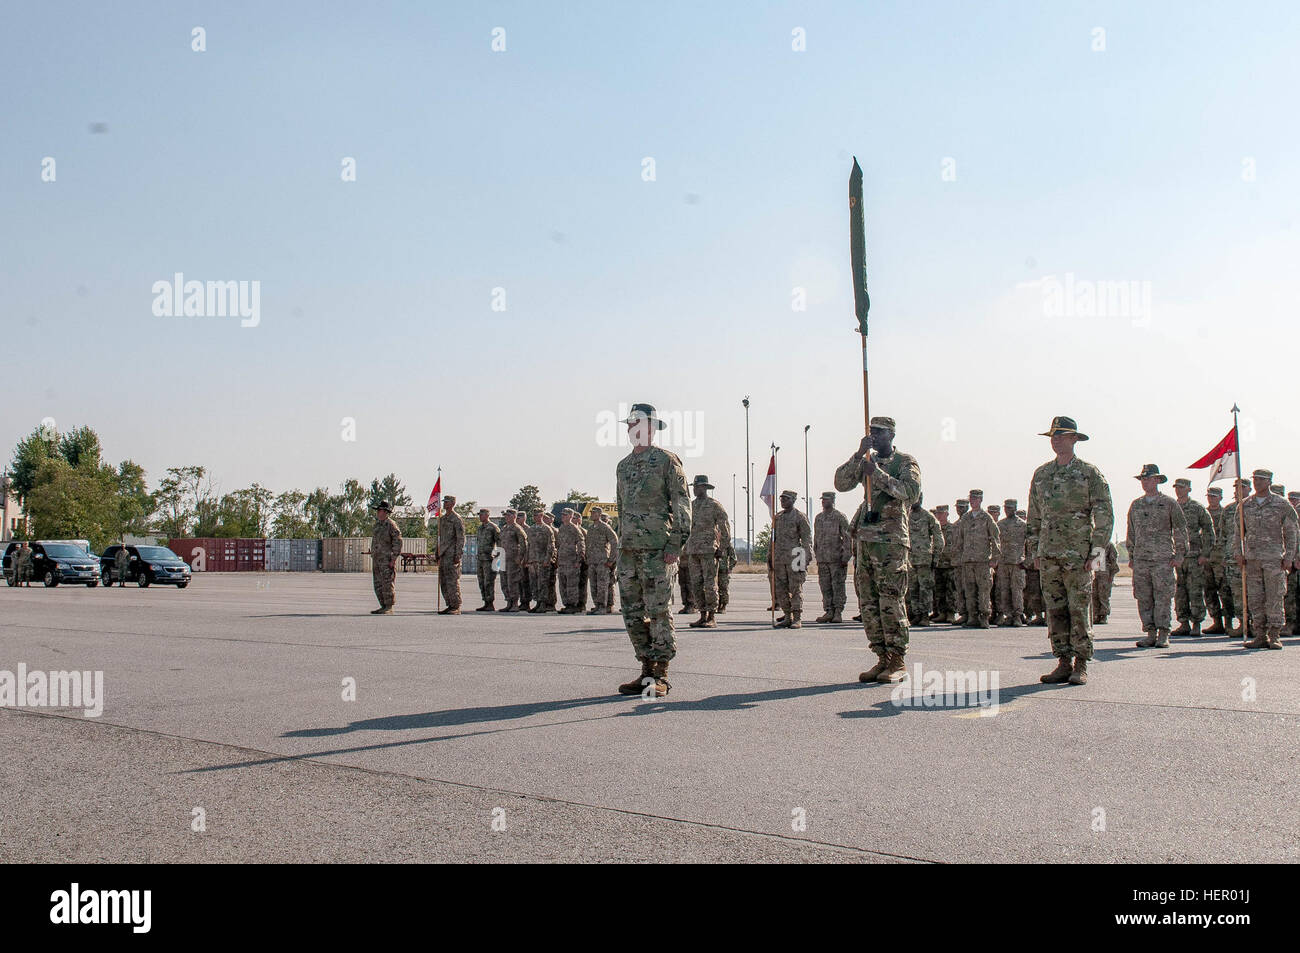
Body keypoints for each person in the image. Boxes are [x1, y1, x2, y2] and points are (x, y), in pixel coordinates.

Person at [1026, 416, 1114, 686]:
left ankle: (1081, 663)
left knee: (1079, 609)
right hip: (1050, 555)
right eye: (1053, 436)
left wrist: (1096, 554)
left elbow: (1105, 516)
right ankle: (1063, 661)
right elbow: (1034, 517)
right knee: (1055, 610)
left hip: (1080, 557)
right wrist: (1035, 552)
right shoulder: (1042, 474)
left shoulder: (1089, 473)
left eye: (1062, 435)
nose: (1056, 440)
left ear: (1075, 439)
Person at [834, 415, 921, 684]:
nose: (875, 436)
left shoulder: (904, 462)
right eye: (871, 432)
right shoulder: (866, 461)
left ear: (892, 435)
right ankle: (881, 657)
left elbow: (911, 492)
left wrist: (879, 476)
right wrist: (859, 454)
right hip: (866, 541)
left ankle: (897, 660)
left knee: (891, 600)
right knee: (869, 603)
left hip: (891, 543)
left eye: (880, 432)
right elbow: (841, 483)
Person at [614, 403, 690, 697]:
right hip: (629, 551)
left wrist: (676, 543)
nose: (635, 430)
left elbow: (682, 504)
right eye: (631, 425)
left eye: (640, 425)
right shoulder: (623, 466)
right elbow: (621, 508)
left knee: (658, 611)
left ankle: (661, 674)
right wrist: (621, 546)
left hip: (659, 550)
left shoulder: (666, 461)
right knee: (632, 613)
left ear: (651, 429)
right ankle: (645, 670)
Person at [1230, 468, 1299, 649]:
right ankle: (1259, 635)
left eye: (1261, 479)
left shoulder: (1281, 504)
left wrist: (1289, 557)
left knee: (1275, 597)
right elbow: (1237, 532)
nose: (1257, 482)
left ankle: (1274, 635)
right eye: (1255, 479)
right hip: (1252, 559)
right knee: (1255, 598)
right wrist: (1238, 552)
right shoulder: (1245, 505)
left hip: (1274, 559)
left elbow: (1292, 532)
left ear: (1269, 482)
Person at [1126, 465, 1188, 648]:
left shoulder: (1169, 503)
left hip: (1162, 559)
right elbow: (1131, 533)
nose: (1145, 482)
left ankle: (1163, 633)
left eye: (1149, 479)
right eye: (1143, 479)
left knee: (1163, 596)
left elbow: (1180, 529)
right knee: (1144, 597)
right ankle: (1150, 632)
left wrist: (1180, 554)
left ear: (1158, 480)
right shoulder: (1136, 505)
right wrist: (1131, 555)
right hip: (1141, 559)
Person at [684, 476, 730, 629]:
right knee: (696, 584)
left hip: (709, 550)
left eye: (697, 486)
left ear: (704, 487)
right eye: (694, 486)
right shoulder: (691, 506)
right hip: (693, 550)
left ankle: (711, 616)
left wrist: (722, 548)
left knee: (710, 584)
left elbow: (725, 528)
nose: (695, 489)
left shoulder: (714, 505)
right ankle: (702, 614)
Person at [1171, 477, 1215, 637]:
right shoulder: (1171, 506)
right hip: (1177, 557)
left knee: (1195, 590)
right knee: (1180, 592)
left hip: (1194, 557)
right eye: (1176, 487)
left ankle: (1196, 623)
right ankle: (1183, 622)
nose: (1178, 490)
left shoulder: (1197, 507)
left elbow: (1209, 530)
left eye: (1182, 487)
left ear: (1189, 489)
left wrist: (1205, 553)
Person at [957, 490, 999, 629]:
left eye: (975, 499)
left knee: (984, 590)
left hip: (982, 560)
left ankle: (984, 616)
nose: (972, 501)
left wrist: (995, 557)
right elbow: (960, 538)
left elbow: (995, 538)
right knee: (969, 590)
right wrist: (959, 556)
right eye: (971, 499)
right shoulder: (965, 518)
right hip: (968, 560)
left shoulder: (986, 517)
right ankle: (972, 617)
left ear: (981, 500)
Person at [813, 491, 852, 623]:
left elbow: (848, 538)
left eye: (826, 499)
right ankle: (828, 611)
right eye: (822, 499)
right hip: (823, 559)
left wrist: (846, 557)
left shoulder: (839, 517)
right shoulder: (818, 518)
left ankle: (838, 612)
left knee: (838, 586)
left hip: (836, 559)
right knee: (825, 586)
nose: (824, 502)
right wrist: (816, 555)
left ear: (833, 500)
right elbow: (816, 538)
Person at [906, 495, 943, 627]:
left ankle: (925, 616)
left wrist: (936, 556)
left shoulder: (928, 517)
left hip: (924, 560)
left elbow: (939, 537)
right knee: (912, 588)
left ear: (921, 500)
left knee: (925, 588)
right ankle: (916, 614)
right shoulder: (907, 516)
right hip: (910, 559)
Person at [1203, 487, 1232, 634]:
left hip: (1221, 559)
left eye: (1214, 496)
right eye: (1209, 496)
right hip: (1207, 559)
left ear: (1220, 497)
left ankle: (1228, 622)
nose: (1211, 498)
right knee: (1209, 591)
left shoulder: (1225, 514)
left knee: (1225, 591)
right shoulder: (1204, 513)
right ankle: (1216, 621)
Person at [995, 498, 1029, 626]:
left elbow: (1030, 545)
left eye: (1009, 508)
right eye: (1005, 508)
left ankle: (1018, 616)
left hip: (1017, 563)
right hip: (1003, 563)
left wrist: (1027, 561)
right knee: (1004, 590)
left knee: (1017, 590)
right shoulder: (1000, 525)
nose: (1007, 510)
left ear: (1015, 508)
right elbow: (995, 543)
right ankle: (1008, 615)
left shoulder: (1022, 525)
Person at [585, 505, 619, 614]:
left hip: (602, 561)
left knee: (602, 585)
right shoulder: (590, 528)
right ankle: (597, 605)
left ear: (599, 515)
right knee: (593, 585)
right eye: (591, 513)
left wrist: (611, 560)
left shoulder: (605, 527)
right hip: (592, 561)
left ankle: (603, 607)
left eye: (594, 513)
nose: (592, 515)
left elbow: (614, 542)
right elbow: (587, 544)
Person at [436, 496, 465, 614]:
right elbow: (439, 538)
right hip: (443, 554)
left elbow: (461, 538)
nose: (444, 504)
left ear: (453, 503)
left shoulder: (456, 519)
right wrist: (436, 553)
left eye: (447, 502)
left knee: (452, 581)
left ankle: (456, 606)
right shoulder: (442, 520)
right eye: (444, 502)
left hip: (451, 554)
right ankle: (449, 604)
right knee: (443, 581)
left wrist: (458, 554)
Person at [526, 508, 557, 613]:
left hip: (542, 560)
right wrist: (527, 559)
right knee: (534, 583)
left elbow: (551, 546)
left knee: (542, 583)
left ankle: (543, 603)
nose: (535, 517)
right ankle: (537, 603)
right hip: (532, 560)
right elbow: (528, 545)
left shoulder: (547, 529)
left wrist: (547, 559)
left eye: (537, 515)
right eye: (534, 515)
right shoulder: (531, 529)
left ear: (542, 516)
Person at [556, 509, 586, 613]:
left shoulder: (574, 528)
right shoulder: (562, 528)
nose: (563, 516)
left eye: (565, 515)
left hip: (572, 561)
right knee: (563, 584)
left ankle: (573, 605)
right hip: (562, 561)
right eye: (562, 514)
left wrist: (579, 559)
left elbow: (581, 543)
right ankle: (567, 604)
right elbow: (559, 545)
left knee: (571, 585)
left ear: (570, 516)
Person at [933, 505, 959, 623]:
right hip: (938, 563)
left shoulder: (953, 528)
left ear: (947, 514)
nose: (939, 516)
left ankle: (951, 613)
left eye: (942, 513)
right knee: (939, 590)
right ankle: (942, 612)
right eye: (938, 513)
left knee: (951, 590)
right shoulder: (934, 529)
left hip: (950, 564)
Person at [499, 509, 529, 612]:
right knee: (504, 582)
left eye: (508, 515)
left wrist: (520, 558)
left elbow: (524, 544)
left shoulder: (517, 528)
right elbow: (500, 544)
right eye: (505, 516)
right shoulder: (503, 528)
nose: (506, 517)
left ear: (514, 516)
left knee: (513, 582)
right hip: (503, 559)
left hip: (513, 559)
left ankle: (515, 603)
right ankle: (509, 602)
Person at [475, 508, 501, 611]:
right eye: (479, 515)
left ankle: (490, 603)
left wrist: (497, 559)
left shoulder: (493, 528)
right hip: (480, 558)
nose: (479, 517)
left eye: (481, 515)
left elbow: (499, 543)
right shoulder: (480, 528)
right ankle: (485, 602)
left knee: (488, 581)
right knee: (481, 581)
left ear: (487, 515)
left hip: (489, 559)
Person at [1091, 541, 1119, 624]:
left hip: (1104, 573)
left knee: (1103, 594)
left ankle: (1103, 615)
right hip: (1093, 572)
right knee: (1094, 594)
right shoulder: (1091, 543)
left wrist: (1111, 575)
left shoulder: (1108, 544)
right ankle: (1095, 615)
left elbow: (1113, 560)